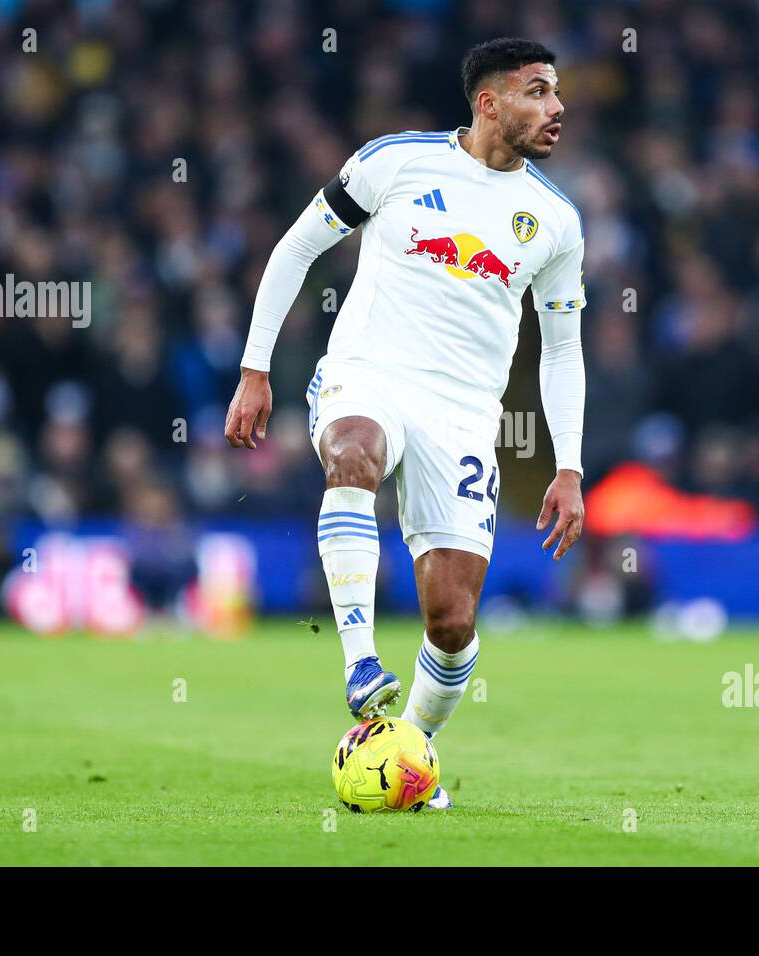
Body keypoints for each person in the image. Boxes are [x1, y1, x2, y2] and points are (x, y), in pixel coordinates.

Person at [224, 38, 587, 809]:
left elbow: (562, 352)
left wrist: (568, 466)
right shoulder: (395, 162)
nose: (556, 109)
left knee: (452, 622)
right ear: (489, 102)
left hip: (464, 412)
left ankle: (411, 753)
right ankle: (359, 662)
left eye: (556, 93)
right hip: (370, 371)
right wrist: (255, 370)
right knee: (352, 452)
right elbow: (296, 250)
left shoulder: (555, 221)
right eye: (538, 92)